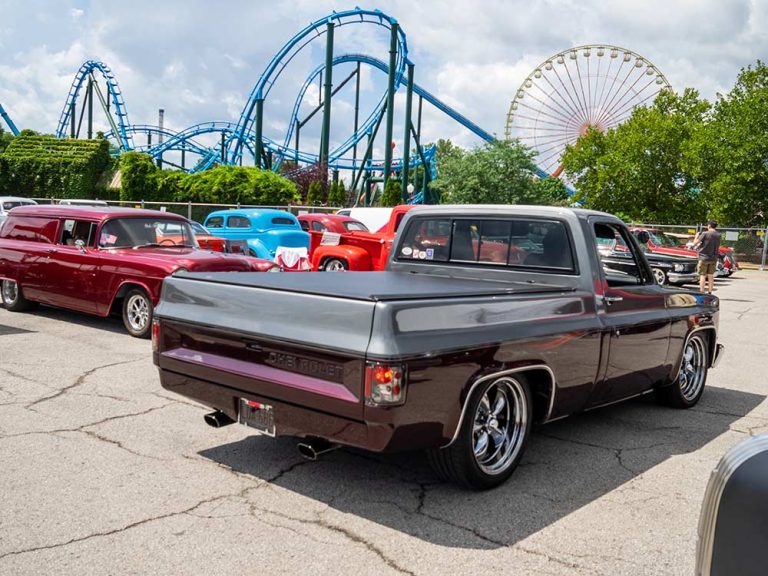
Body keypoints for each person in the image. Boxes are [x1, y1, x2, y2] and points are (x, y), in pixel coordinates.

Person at [694, 220, 721, 294]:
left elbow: (695, 243)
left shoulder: (705, 233)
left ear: (709, 225)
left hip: (703, 257)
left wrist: (696, 236)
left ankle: (702, 291)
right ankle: (710, 292)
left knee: (702, 275)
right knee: (710, 275)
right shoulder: (718, 235)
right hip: (713, 258)